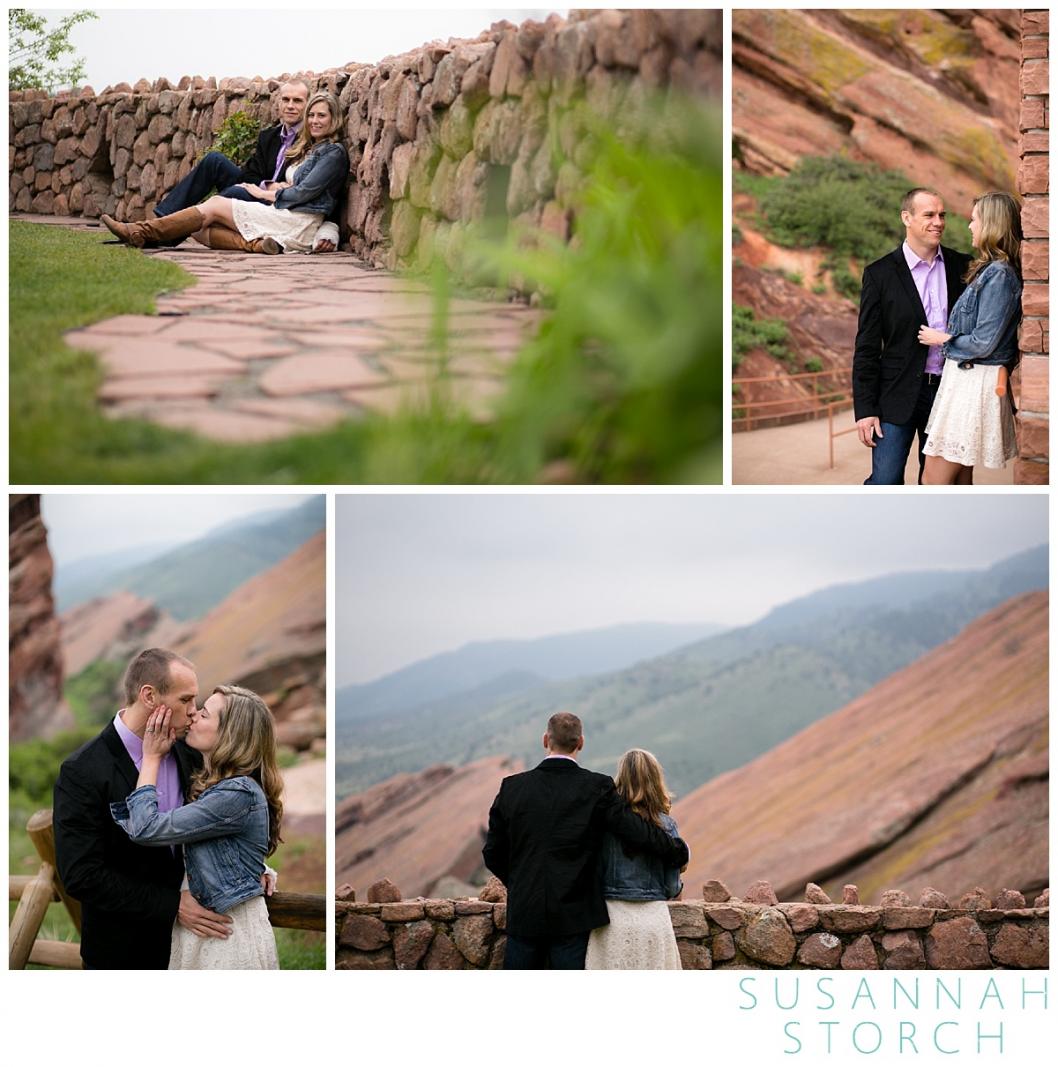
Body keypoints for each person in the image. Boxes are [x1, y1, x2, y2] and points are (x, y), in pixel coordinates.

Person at [53, 649, 234, 969]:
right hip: (122, 950)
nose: (194, 712)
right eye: (185, 700)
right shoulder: (83, 770)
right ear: (149, 696)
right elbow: (80, 875)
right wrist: (172, 905)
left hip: (195, 947)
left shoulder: (189, 752)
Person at [482, 712, 689, 970]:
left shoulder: (512, 787)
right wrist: (677, 851)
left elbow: (492, 852)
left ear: (545, 740)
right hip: (574, 915)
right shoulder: (597, 787)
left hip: (525, 911)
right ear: (581, 742)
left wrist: (521, 880)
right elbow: (636, 831)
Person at [111, 684, 284, 969]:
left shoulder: (236, 794)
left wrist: (151, 758)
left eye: (204, 715)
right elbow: (218, 848)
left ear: (230, 735)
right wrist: (256, 869)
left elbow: (145, 828)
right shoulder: (217, 787)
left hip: (225, 934)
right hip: (204, 926)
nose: (192, 717)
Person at [100, 91, 348, 256]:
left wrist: (269, 194)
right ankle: (256, 245)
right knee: (196, 227)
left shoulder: (333, 153)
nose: (315, 121)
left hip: (296, 219)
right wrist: (275, 187)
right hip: (283, 208)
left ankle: (141, 231)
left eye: (321, 116)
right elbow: (286, 181)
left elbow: (306, 191)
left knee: (213, 206)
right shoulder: (306, 146)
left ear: (334, 119)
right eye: (312, 116)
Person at [852, 188, 972, 484]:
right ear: (906, 217)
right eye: (929, 215)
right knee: (885, 481)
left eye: (942, 215)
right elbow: (867, 346)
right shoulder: (879, 274)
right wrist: (865, 410)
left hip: (949, 394)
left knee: (937, 485)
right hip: (895, 395)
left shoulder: (964, 267)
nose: (938, 222)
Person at [151, 79, 337, 252]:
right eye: (285, 100)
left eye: (297, 101)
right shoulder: (269, 136)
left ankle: (168, 232)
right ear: (278, 103)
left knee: (235, 193)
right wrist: (266, 184)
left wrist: (268, 191)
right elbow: (249, 174)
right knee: (214, 161)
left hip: (279, 204)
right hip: (260, 190)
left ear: (307, 106)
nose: (290, 106)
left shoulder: (311, 139)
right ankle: (161, 221)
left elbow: (312, 187)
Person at [918, 192, 1022, 484]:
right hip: (965, 380)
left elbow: (984, 342)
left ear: (991, 224)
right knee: (960, 478)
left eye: (974, 220)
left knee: (933, 480)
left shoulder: (1000, 275)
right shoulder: (991, 270)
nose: (970, 226)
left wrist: (943, 339)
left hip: (973, 384)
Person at [585, 749, 685, 969]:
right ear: (655, 779)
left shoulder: (605, 823)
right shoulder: (666, 825)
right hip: (653, 921)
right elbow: (671, 886)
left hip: (611, 920)